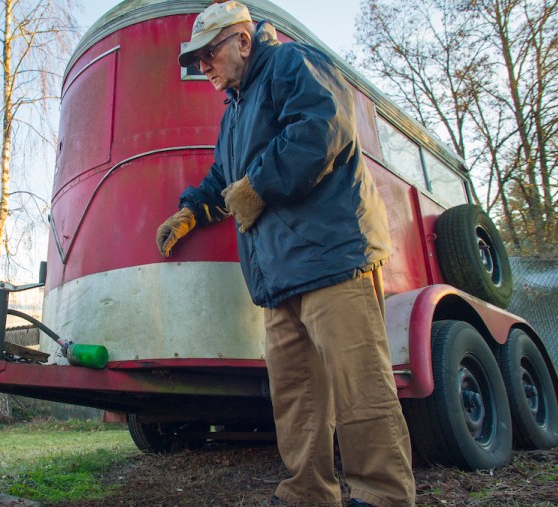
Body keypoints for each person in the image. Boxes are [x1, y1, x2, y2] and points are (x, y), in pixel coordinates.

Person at [156, 2, 416, 506]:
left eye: (209, 54)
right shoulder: (233, 113)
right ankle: (308, 493)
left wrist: (258, 185)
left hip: (332, 259)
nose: (203, 67)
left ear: (243, 41)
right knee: (296, 399)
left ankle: (382, 495)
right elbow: (222, 184)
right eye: (197, 60)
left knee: (359, 385)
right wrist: (190, 211)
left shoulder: (294, 64)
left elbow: (321, 128)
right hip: (277, 278)